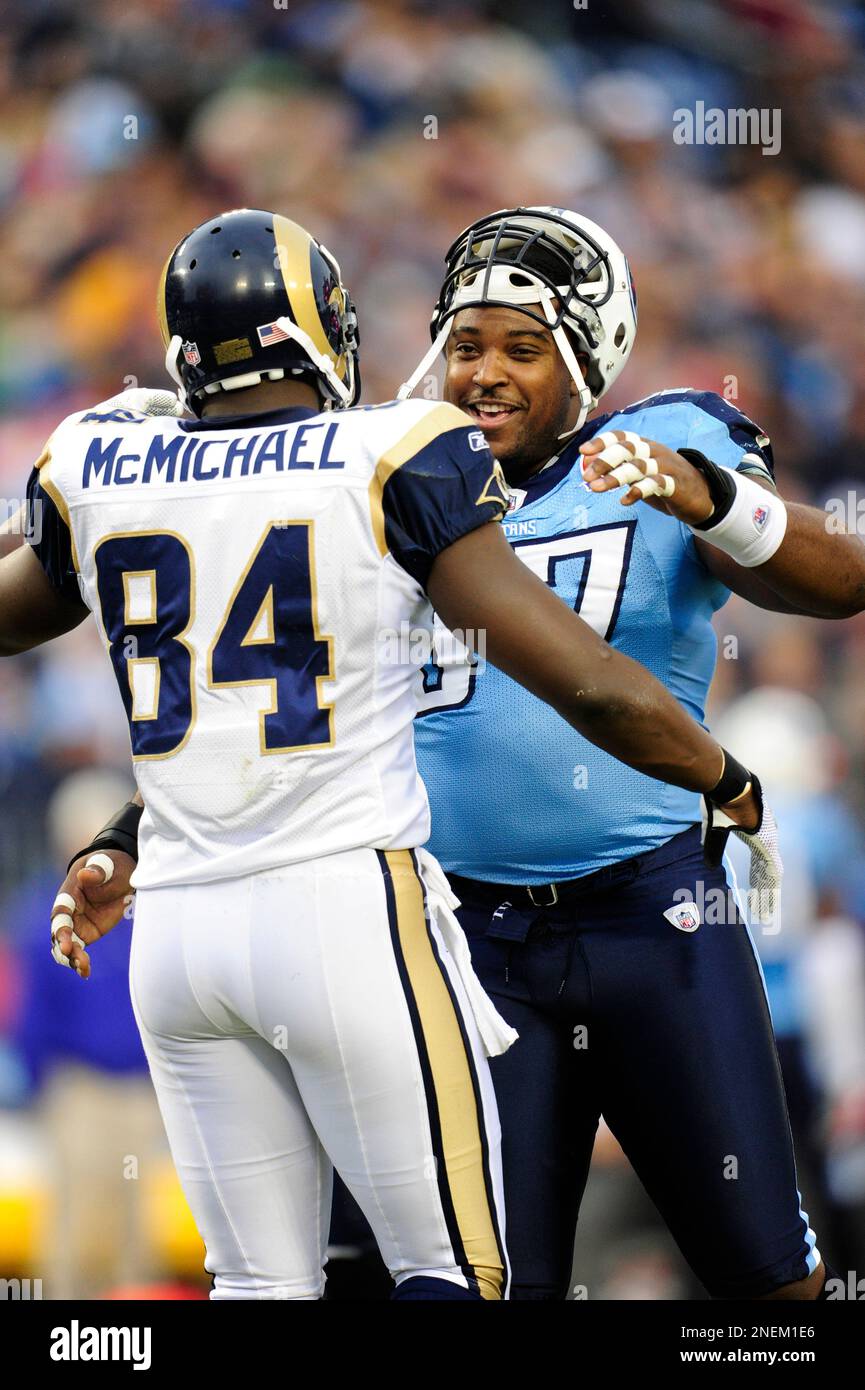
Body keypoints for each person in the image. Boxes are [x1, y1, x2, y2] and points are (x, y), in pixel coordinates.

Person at [0, 207, 770, 1302]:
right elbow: (589, 683)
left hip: (178, 935)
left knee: (257, 1284)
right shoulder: (389, 450)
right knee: (456, 1269)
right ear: (327, 328)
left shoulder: (101, 455)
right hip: (342, 907)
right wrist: (724, 778)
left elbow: (18, 607)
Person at [399, 206, 865, 1300]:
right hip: (471, 943)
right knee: (490, 1278)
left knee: (768, 1275)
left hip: (653, 918)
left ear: (586, 354)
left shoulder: (665, 442)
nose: (485, 374)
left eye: (522, 345)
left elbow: (842, 579)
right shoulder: (400, 482)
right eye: (466, 345)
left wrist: (709, 499)